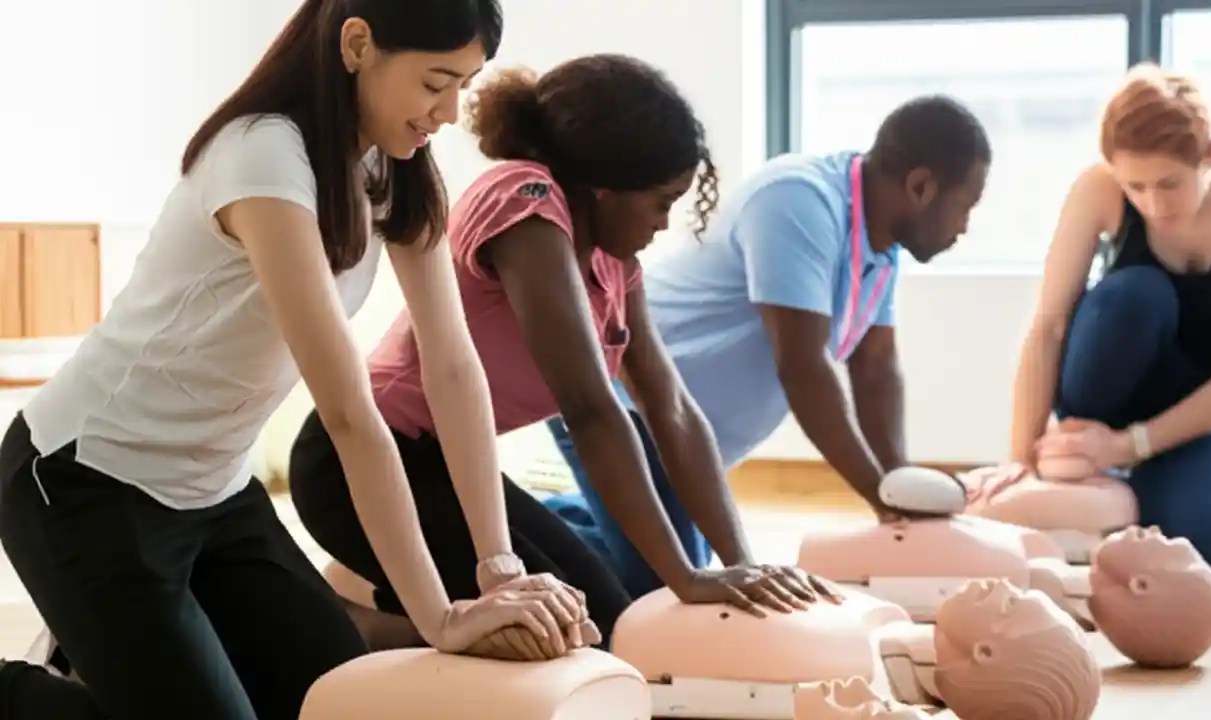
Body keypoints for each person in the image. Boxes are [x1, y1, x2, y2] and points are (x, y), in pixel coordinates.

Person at [0, 2, 586, 718]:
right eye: (436, 81)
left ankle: (110, 654)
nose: (449, 111)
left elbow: (454, 367)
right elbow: (345, 411)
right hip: (86, 483)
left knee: (335, 701)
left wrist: (497, 571)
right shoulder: (263, 156)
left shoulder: (394, 164)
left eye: (465, 83)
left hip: (215, 494)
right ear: (358, 44)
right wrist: (438, 615)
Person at [288, 52, 839, 652]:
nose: (663, 224)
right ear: (604, 187)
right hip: (361, 464)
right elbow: (590, 406)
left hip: (450, 469)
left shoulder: (612, 261)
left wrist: (741, 563)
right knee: (577, 638)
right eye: (660, 202)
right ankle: (353, 625)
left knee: (603, 620)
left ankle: (380, 606)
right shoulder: (523, 202)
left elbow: (670, 405)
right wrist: (686, 576)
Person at [546, 95, 993, 596]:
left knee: (646, 568)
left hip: (685, 439)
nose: (965, 227)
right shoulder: (798, 199)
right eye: (965, 207)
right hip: (627, 402)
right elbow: (803, 368)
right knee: (663, 590)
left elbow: (875, 369)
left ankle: (549, 518)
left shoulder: (880, 250)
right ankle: (529, 525)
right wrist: (881, 497)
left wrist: (899, 487)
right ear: (921, 186)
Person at [969, 63, 1211, 587]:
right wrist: (1019, 459)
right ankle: (1090, 481)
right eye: (1135, 186)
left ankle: (1129, 496)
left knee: (1204, 554)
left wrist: (1129, 447)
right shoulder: (1097, 188)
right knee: (1135, 295)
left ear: (1210, 155)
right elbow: (1048, 325)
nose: (1153, 204)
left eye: (1170, 184)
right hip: (1113, 392)